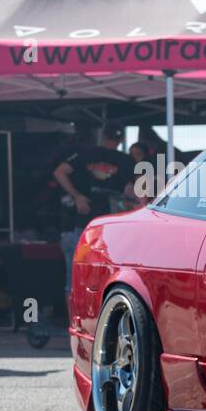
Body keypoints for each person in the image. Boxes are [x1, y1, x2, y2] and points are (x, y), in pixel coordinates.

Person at [53, 125, 133, 300]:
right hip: (91, 227)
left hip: (99, 228)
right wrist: (77, 197)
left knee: (82, 281)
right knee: (88, 281)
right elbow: (59, 172)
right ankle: (83, 324)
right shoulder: (88, 154)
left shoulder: (123, 160)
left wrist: (77, 196)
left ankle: (81, 324)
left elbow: (132, 189)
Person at [125, 140, 162, 209]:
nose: (134, 157)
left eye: (138, 154)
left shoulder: (153, 177)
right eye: (131, 154)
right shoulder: (126, 174)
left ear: (145, 156)